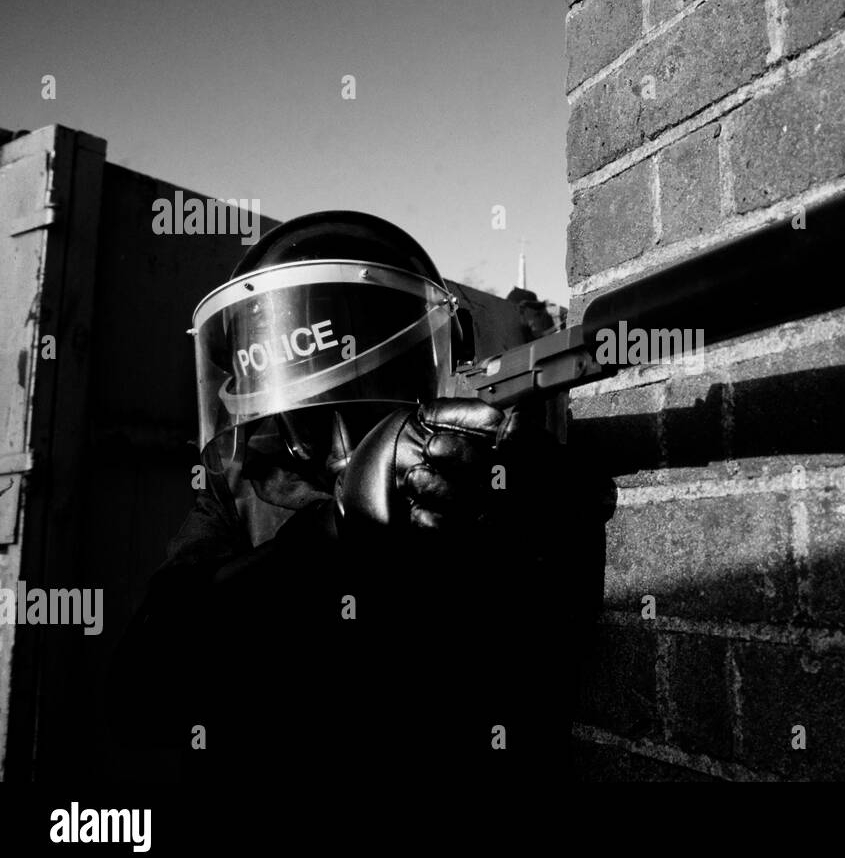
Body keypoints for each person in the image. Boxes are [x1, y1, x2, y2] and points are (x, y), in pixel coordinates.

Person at [107, 211, 613, 783]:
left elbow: (548, 669)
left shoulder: (466, 477)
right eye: (314, 418)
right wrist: (332, 534)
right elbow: (145, 678)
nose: (342, 444)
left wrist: (545, 517)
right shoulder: (246, 494)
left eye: (368, 401)